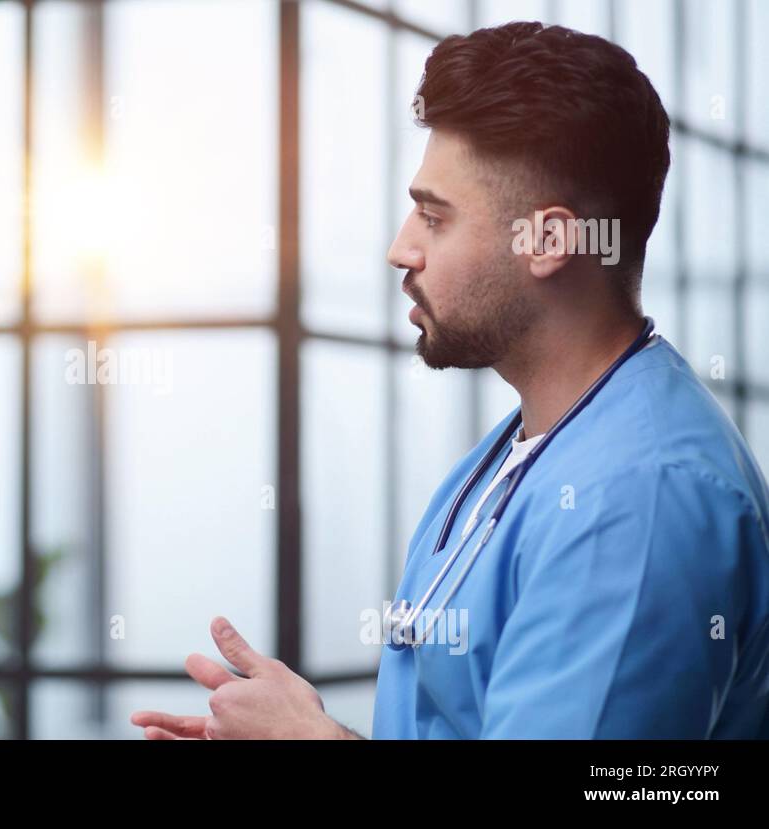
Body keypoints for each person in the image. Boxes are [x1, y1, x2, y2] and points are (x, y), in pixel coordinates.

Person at [132, 22, 769, 739]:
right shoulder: (523, 450)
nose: (400, 247)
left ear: (551, 241)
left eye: (435, 216)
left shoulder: (636, 500)